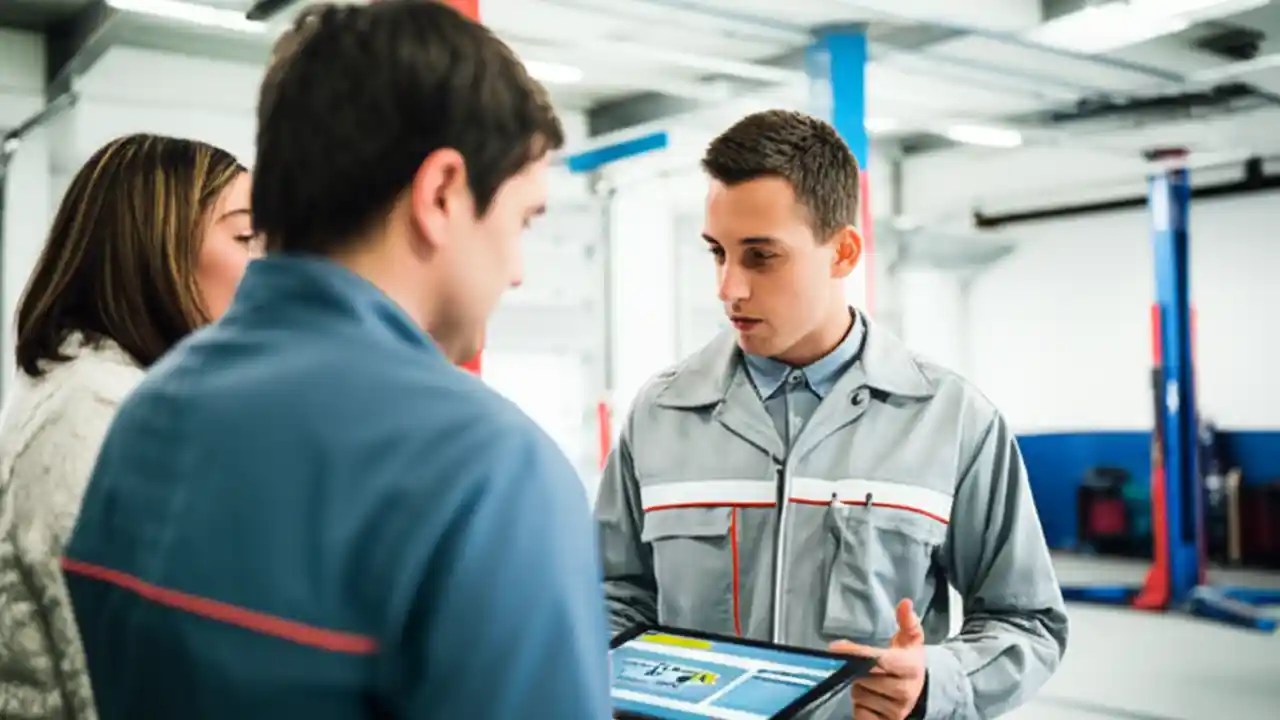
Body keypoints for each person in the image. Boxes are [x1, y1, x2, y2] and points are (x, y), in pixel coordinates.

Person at [60, 3, 610, 719]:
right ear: (441, 193)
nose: (517, 272)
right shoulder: (490, 473)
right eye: (522, 219)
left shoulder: (145, 414)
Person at [595, 110, 1068, 720]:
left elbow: (1026, 619)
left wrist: (933, 681)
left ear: (842, 252)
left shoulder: (951, 422)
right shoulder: (661, 416)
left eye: (761, 256)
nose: (728, 288)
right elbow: (612, 596)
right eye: (718, 253)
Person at [0, 133, 260, 720]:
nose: (266, 267)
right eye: (246, 238)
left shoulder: (86, 392)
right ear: (157, 250)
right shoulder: (98, 411)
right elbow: (132, 679)